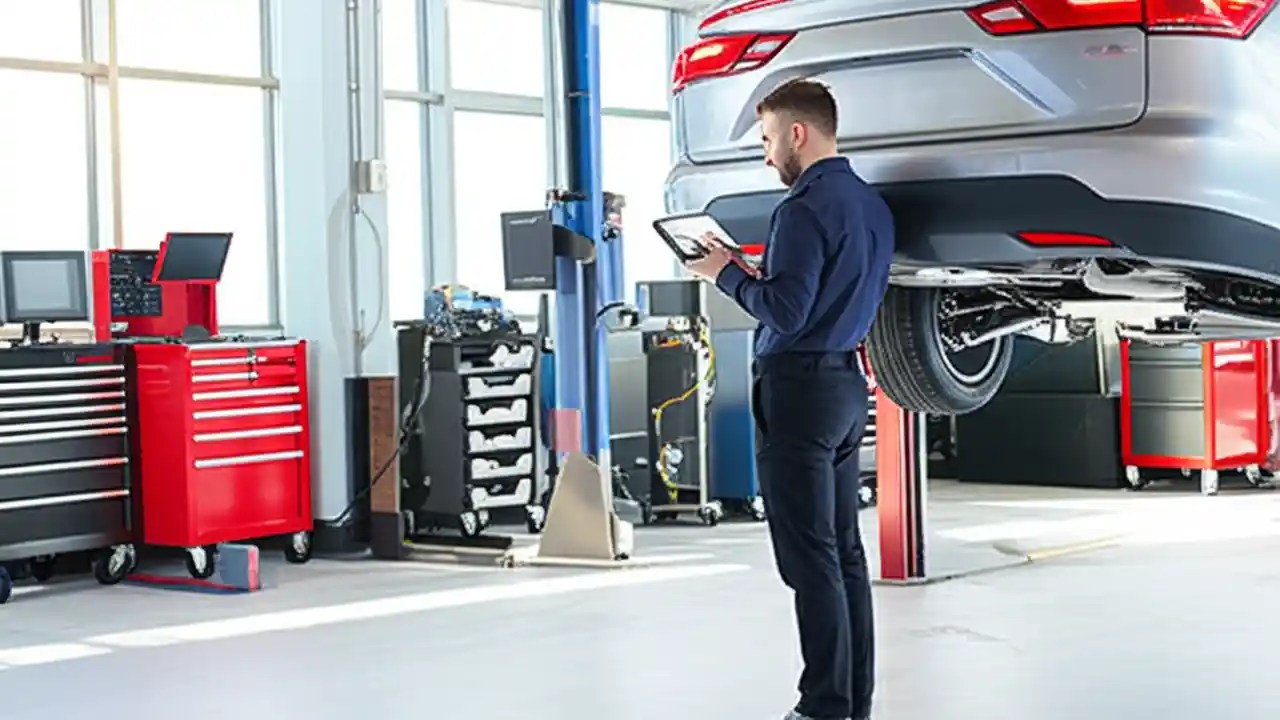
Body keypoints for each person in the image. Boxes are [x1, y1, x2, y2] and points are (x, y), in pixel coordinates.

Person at [683, 78, 894, 720]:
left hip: (799, 392)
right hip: (845, 387)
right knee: (845, 554)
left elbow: (786, 309)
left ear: (798, 133)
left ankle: (822, 706)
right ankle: (852, 701)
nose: (768, 155)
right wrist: (755, 273)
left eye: (770, 139)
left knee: (809, 560)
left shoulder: (800, 209)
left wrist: (725, 275)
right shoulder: (871, 206)